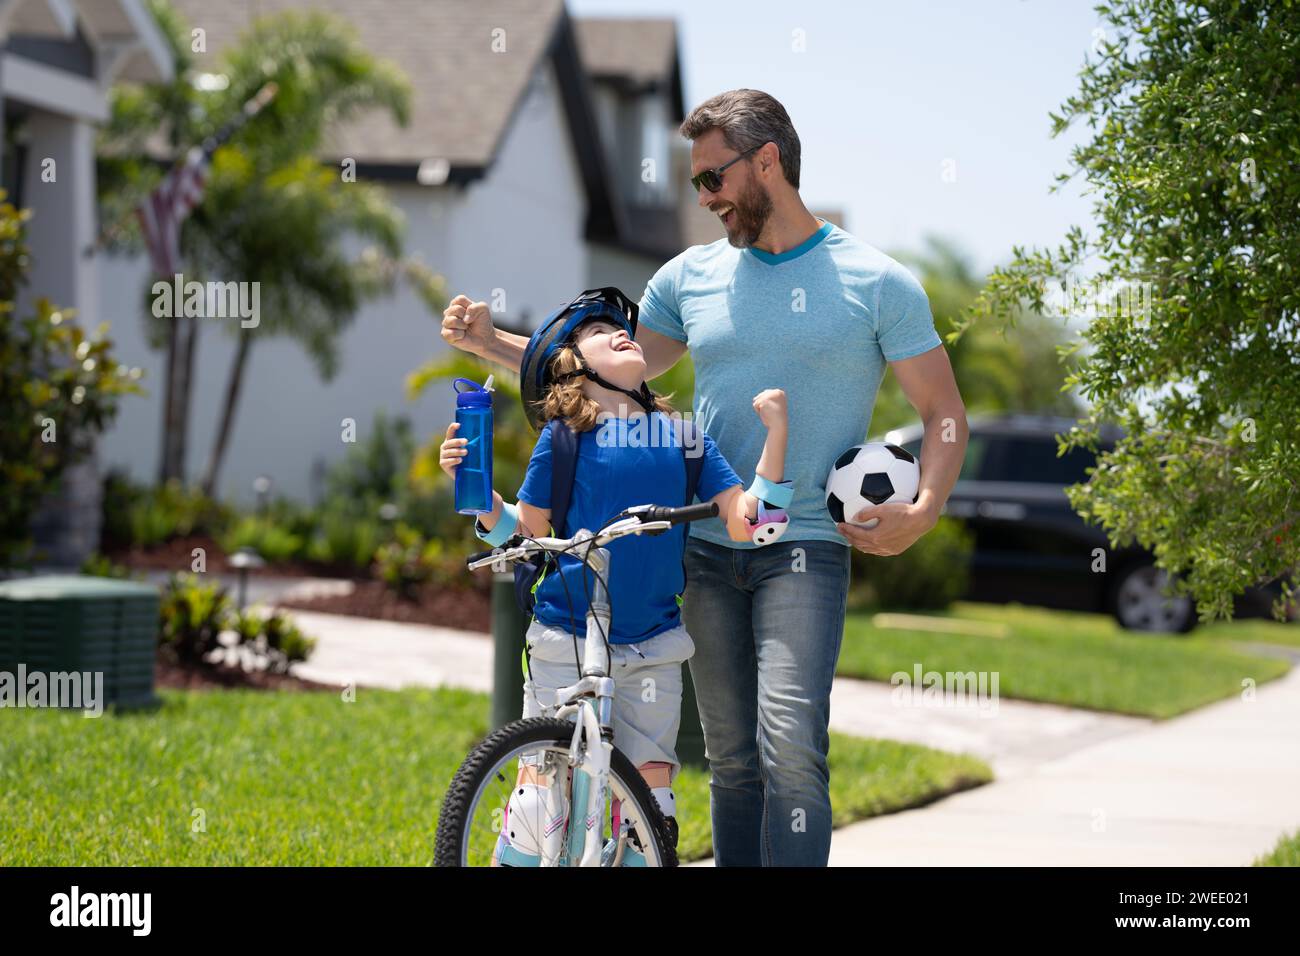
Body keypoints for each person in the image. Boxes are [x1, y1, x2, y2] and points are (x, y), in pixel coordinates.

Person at [441, 90, 968, 866]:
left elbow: (944, 411)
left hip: (806, 547)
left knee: (790, 743)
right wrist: (493, 344)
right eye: (696, 184)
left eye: (713, 178)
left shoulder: (875, 282)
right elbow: (609, 373)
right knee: (730, 756)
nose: (705, 198)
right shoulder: (689, 277)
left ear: (769, 162)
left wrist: (922, 511)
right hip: (705, 550)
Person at [438, 286, 791, 864]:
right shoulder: (564, 438)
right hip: (565, 636)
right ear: (571, 365)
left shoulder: (682, 437)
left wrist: (776, 438)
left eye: (619, 326)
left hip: (652, 645)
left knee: (650, 809)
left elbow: (751, 524)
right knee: (536, 803)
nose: (618, 330)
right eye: (597, 331)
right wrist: (480, 499)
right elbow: (523, 530)